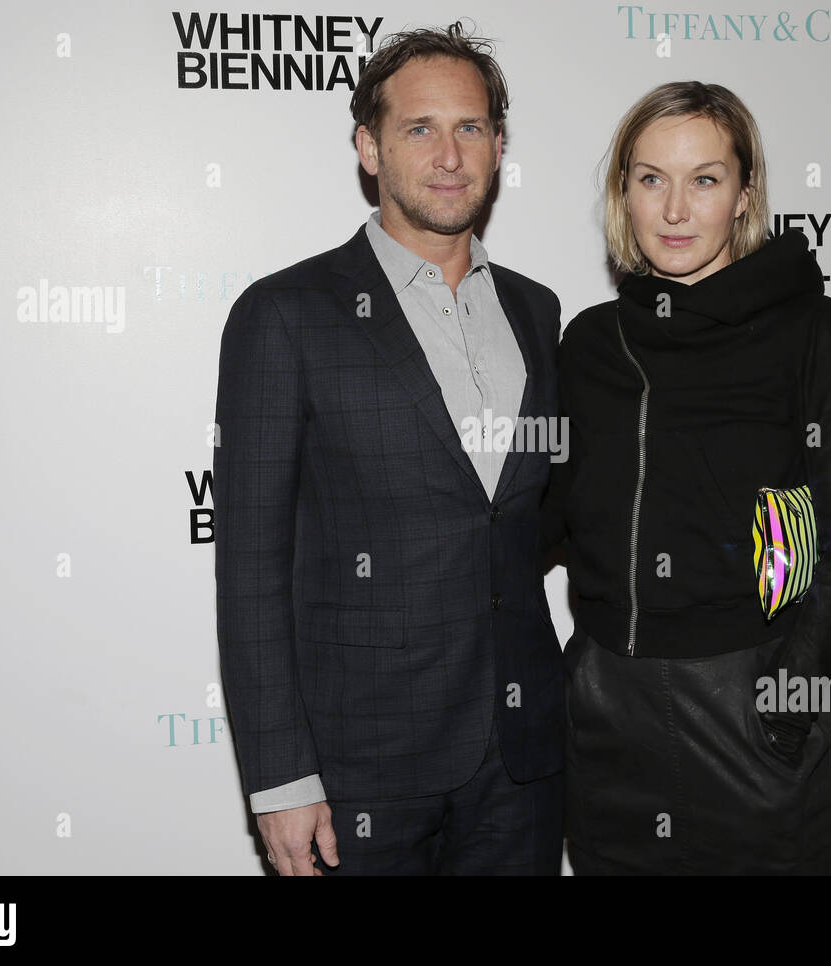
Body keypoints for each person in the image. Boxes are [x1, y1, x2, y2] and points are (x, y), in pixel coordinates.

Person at [213, 23, 564, 876]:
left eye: (470, 128)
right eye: (418, 129)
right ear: (369, 148)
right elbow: (251, 564)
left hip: (524, 765)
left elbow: (539, 522)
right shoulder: (286, 314)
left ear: (499, 145)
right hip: (356, 773)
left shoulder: (538, 313)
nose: (449, 155)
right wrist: (279, 778)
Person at [541, 81, 831, 874]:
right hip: (604, 713)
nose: (674, 209)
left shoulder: (812, 330)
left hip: (748, 706)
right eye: (650, 177)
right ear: (622, 192)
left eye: (705, 179)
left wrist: (786, 708)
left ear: (744, 195)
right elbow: (549, 517)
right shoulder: (592, 342)